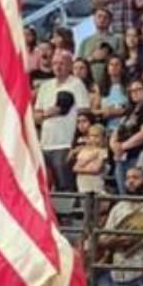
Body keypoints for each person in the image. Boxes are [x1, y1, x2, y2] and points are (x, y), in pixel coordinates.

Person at [34, 46, 90, 192]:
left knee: (65, 183)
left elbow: (84, 111)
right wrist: (49, 113)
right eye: (55, 63)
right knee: (45, 184)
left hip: (65, 142)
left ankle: (69, 214)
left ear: (70, 65)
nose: (58, 67)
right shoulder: (45, 86)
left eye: (62, 63)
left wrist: (77, 141)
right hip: (45, 143)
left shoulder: (76, 84)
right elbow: (37, 115)